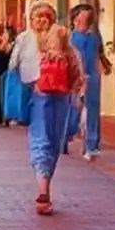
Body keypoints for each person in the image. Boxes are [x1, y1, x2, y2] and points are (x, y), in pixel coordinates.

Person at [30, 24, 86, 215]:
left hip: (40, 98)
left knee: (40, 142)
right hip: (62, 99)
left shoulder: (38, 51)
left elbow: (20, 71)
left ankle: (42, 188)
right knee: (54, 143)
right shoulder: (71, 54)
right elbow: (78, 80)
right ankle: (45, 187)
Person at [70, 4, 110, 159]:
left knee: (92, 109)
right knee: (73, 107)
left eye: (88, 13)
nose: (85, 16)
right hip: (75, 76)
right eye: (82, 13)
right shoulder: (71, 36)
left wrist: (104, 65)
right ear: (75, 18)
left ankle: (92, 144)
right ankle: (67, 136)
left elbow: (99, 53)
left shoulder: (95, 36)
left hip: (92, 75)